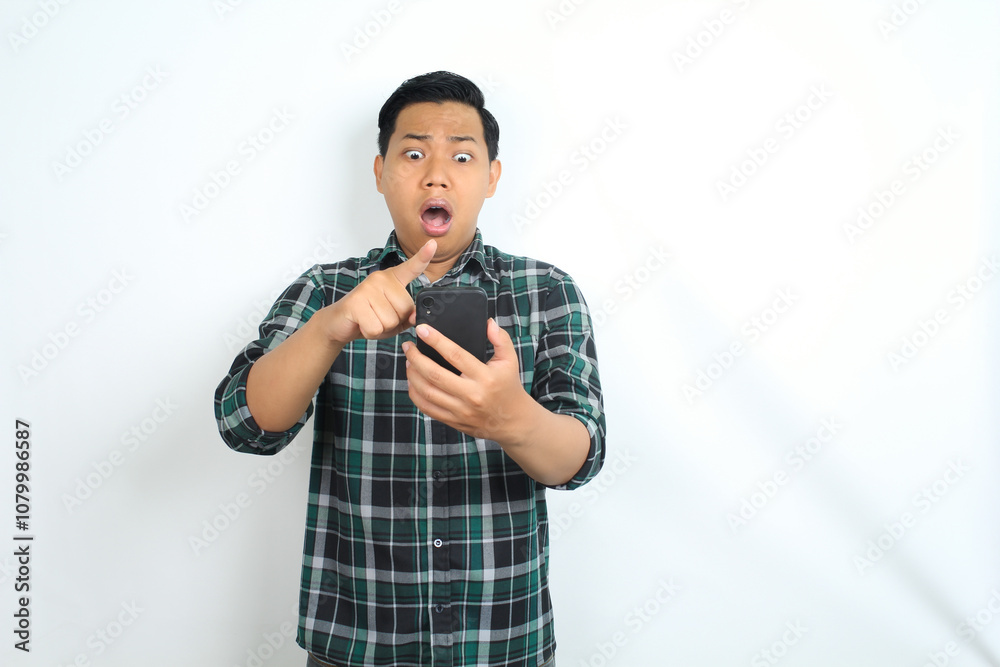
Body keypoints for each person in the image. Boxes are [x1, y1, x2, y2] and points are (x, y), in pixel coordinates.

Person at [215, 71, 606, 667]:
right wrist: (330, 327)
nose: (437, 173)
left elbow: (581, 457)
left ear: (492, 178)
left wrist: (510, 419)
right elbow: (244, 423)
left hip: (503, 641)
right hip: (356, 644)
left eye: (463, 156)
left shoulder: (545, 291)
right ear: (380, 172)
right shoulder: (328, 288)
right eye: (414, 152)